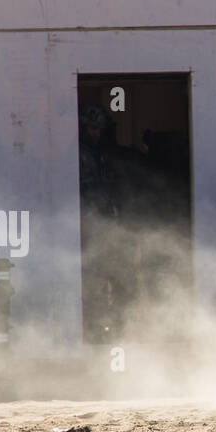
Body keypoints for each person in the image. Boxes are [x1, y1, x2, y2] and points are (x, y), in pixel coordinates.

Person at [78, 105, 129, 342]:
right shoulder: (81, 155)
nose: (96, 133)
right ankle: (95, 328)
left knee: (114, 277)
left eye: (99, 129)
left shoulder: (99, 154)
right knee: (94, 280)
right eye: (92, 129)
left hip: (107, 225)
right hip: (91, 226)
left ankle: (113, 327)